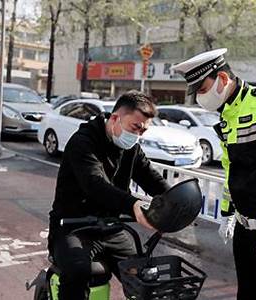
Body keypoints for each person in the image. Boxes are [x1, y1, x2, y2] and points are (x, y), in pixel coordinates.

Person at [171, 48, 256, 300]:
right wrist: (227, 212)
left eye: (202, 90)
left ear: (222, 79)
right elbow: (231, 169)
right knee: (247, 294)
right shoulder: (228, 117)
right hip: (246, 228)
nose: (200, 98)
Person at [47, 91, 170, 300]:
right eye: (135, 127)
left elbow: (152, 179)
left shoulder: (131, 148)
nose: (138, 135)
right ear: (115, 118)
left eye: (143, 131)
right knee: (78, 272)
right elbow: (95, 185)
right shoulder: (83, 142)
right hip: (73, 227)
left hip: (110, 228)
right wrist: (133, 205)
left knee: (144, 275)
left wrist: (175, 200)